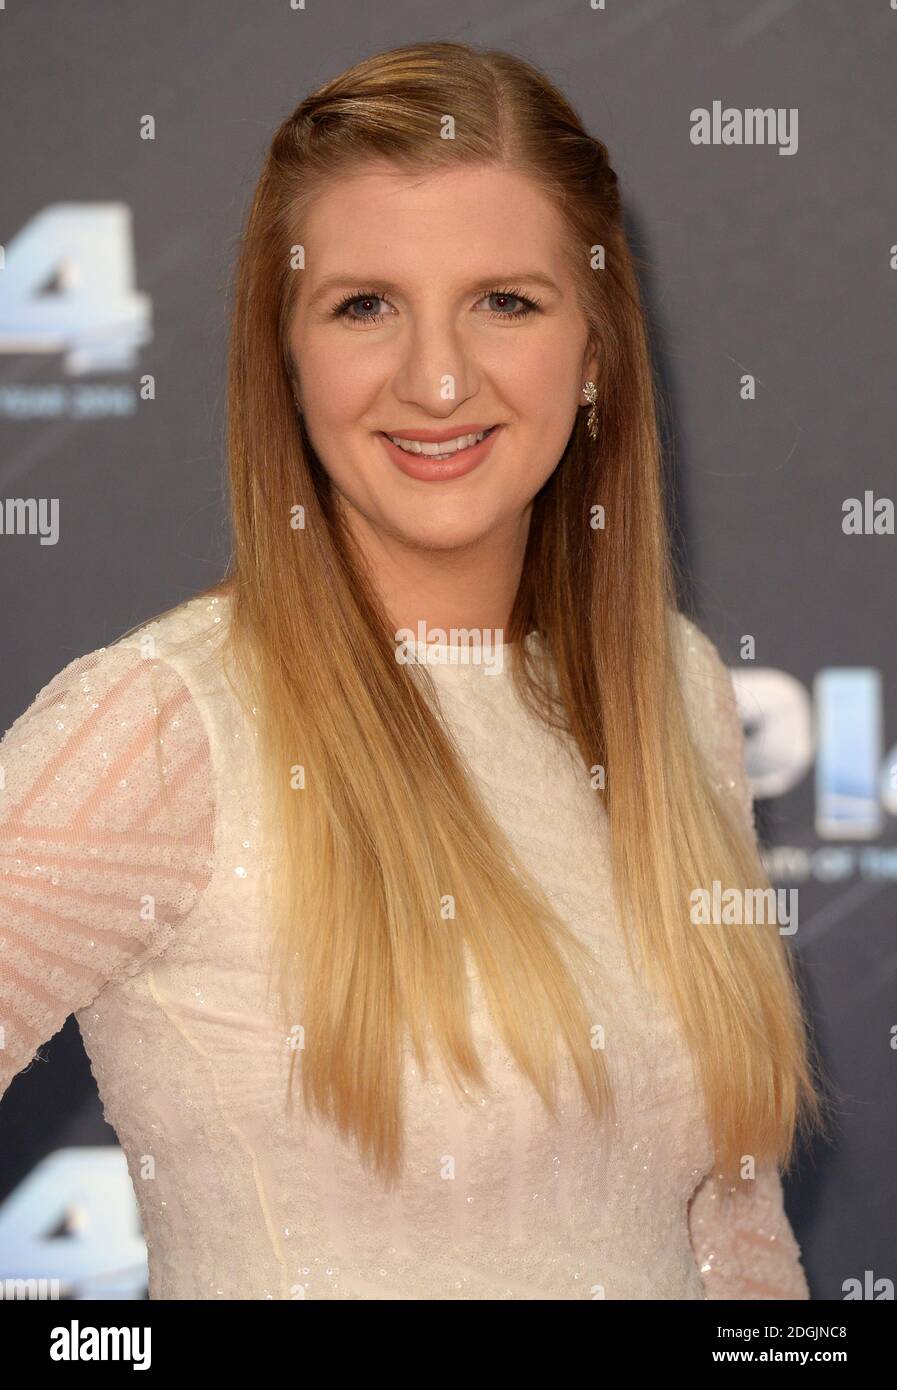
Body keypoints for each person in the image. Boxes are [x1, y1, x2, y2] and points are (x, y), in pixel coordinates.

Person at [0, 40, 828, 1300]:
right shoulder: (162, 725)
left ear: (596, 351)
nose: (438, 379)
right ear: (284, 356)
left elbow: (733, 1230)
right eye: (364, 305)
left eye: (506, 300)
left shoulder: (678, 689)